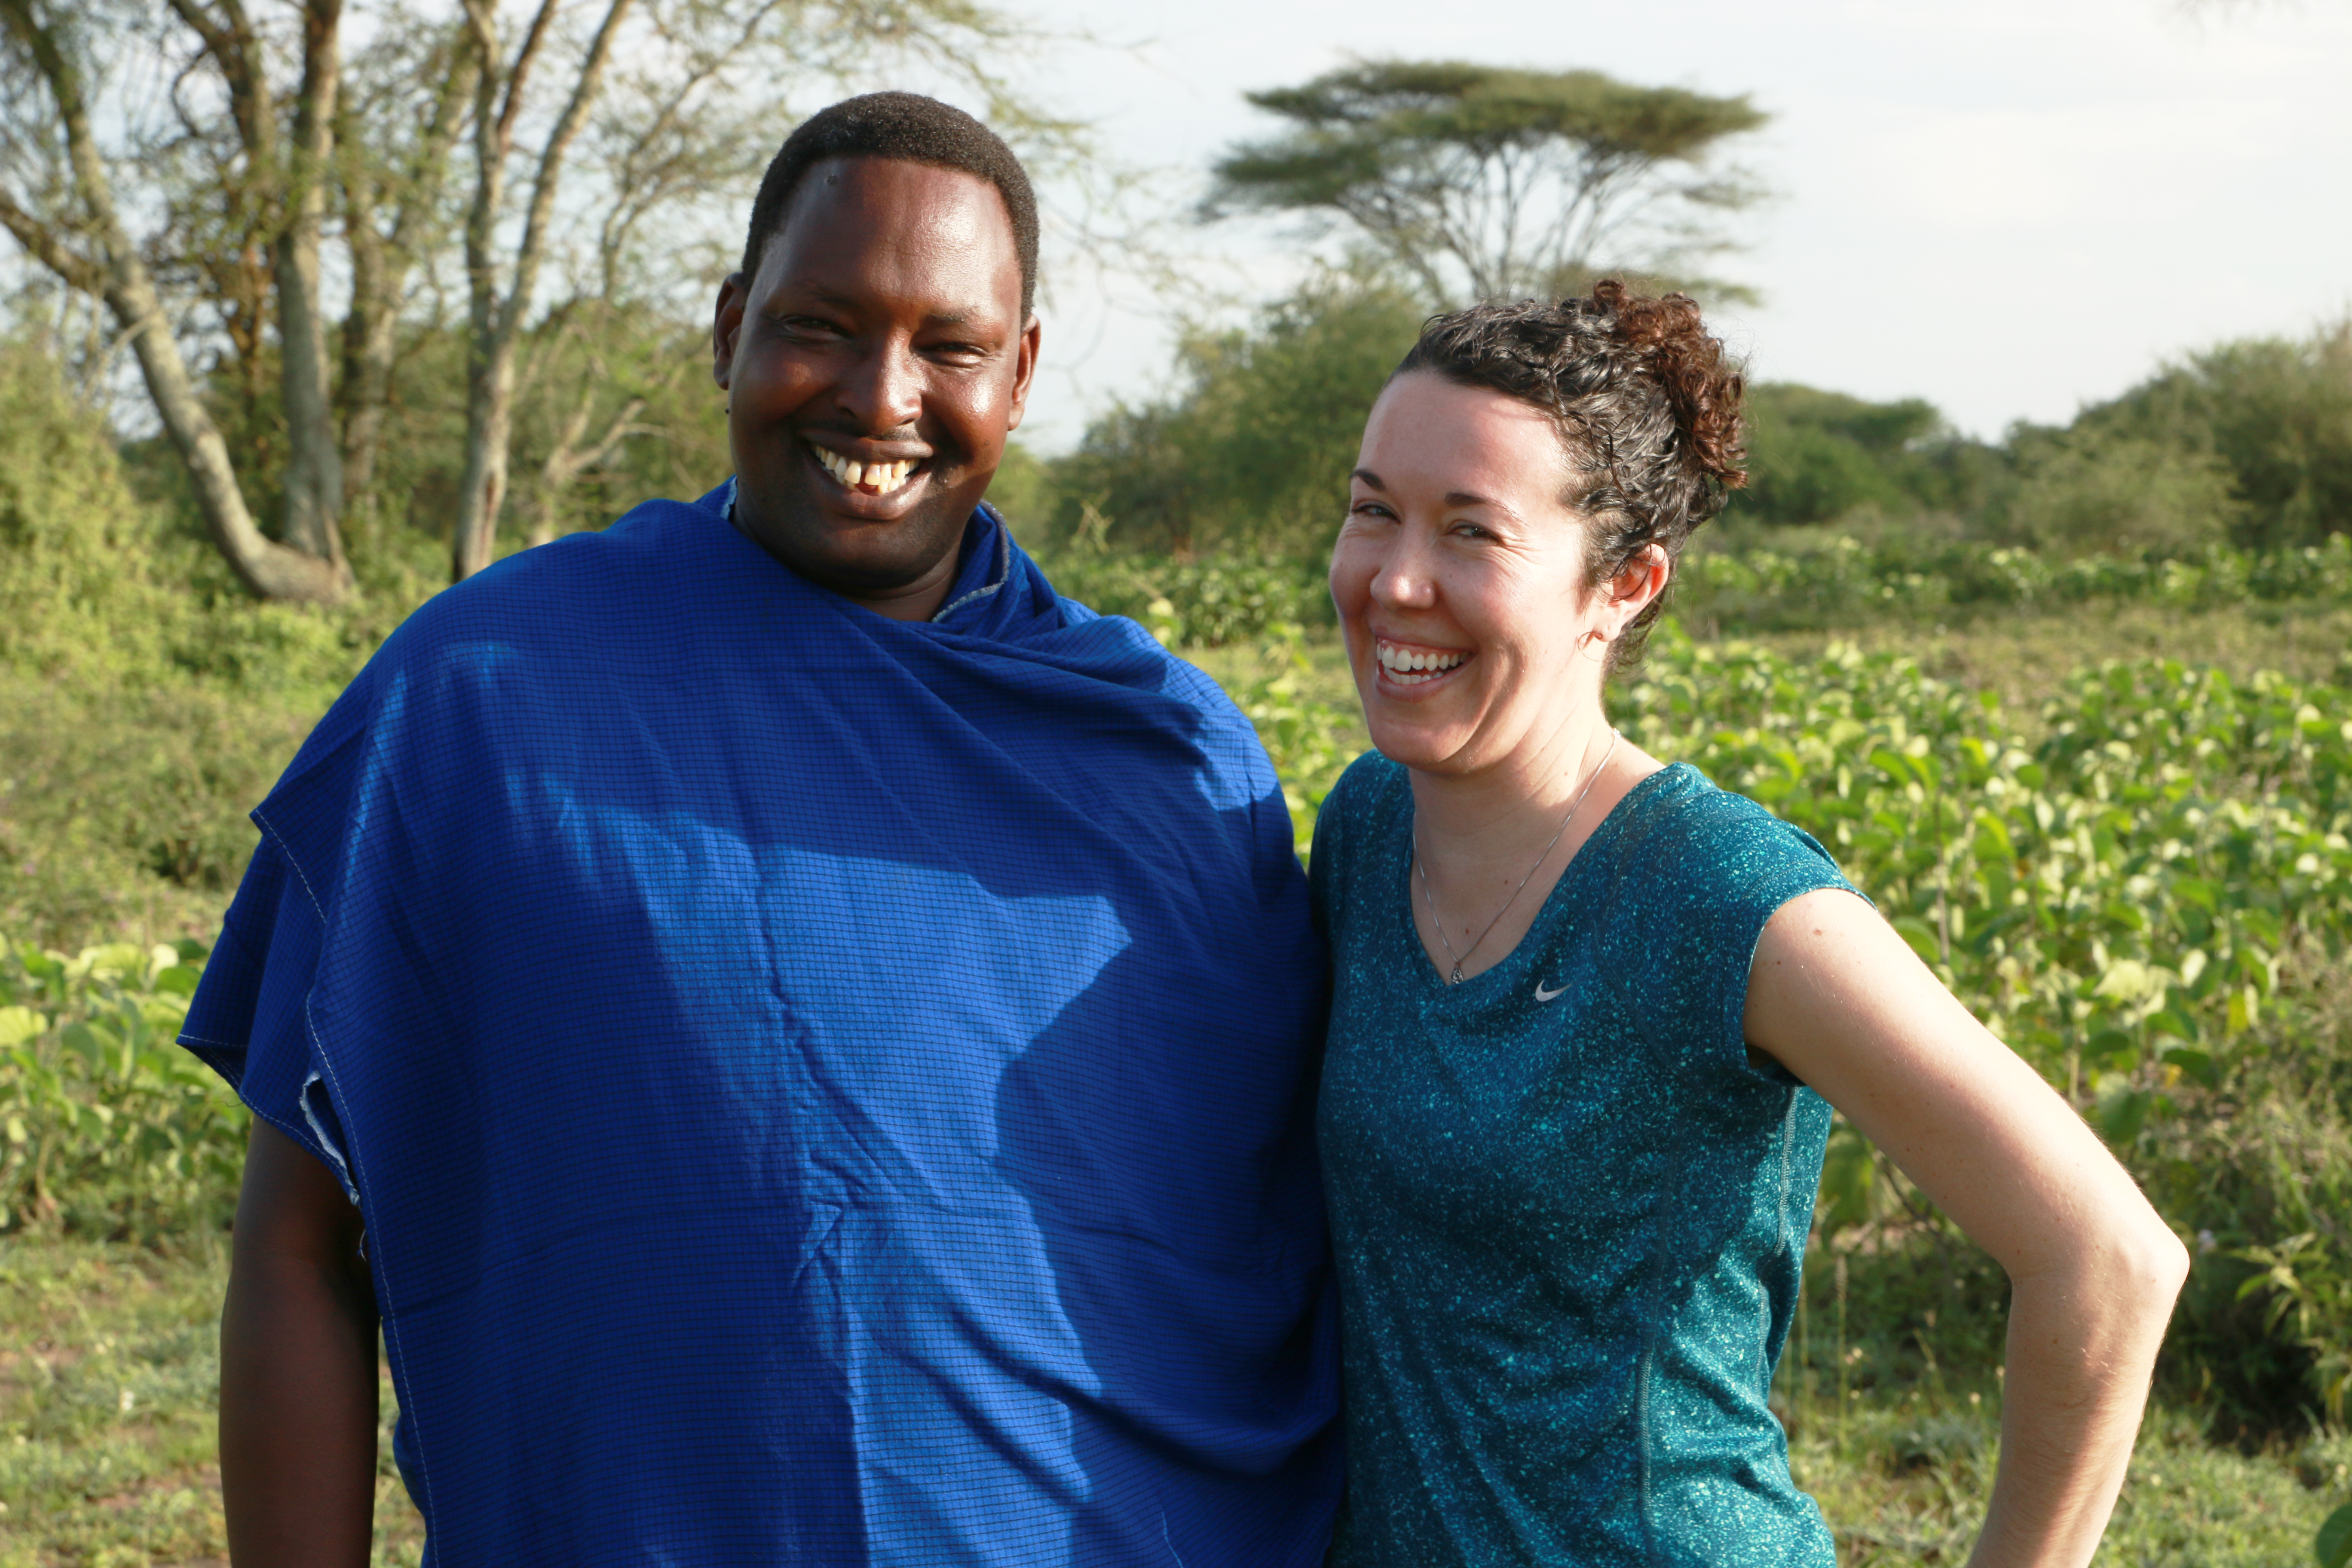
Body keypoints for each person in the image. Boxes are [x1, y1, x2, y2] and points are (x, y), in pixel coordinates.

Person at [181, 92, 1340, 1567]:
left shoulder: (1166, 757)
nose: (882, 396)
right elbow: (298, 1244)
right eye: (822, 327)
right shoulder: (481, 702)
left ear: (1023, 372)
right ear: (731, 330)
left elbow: (1283, 1247)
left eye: (951, 347)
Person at [1309, 284, 2189, 1567]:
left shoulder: (1723, 896)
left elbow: (2108, 1260)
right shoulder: (1366, 830)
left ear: (1623, 585)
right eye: (1373, 510)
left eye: (1472, 532)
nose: (1396, 580)